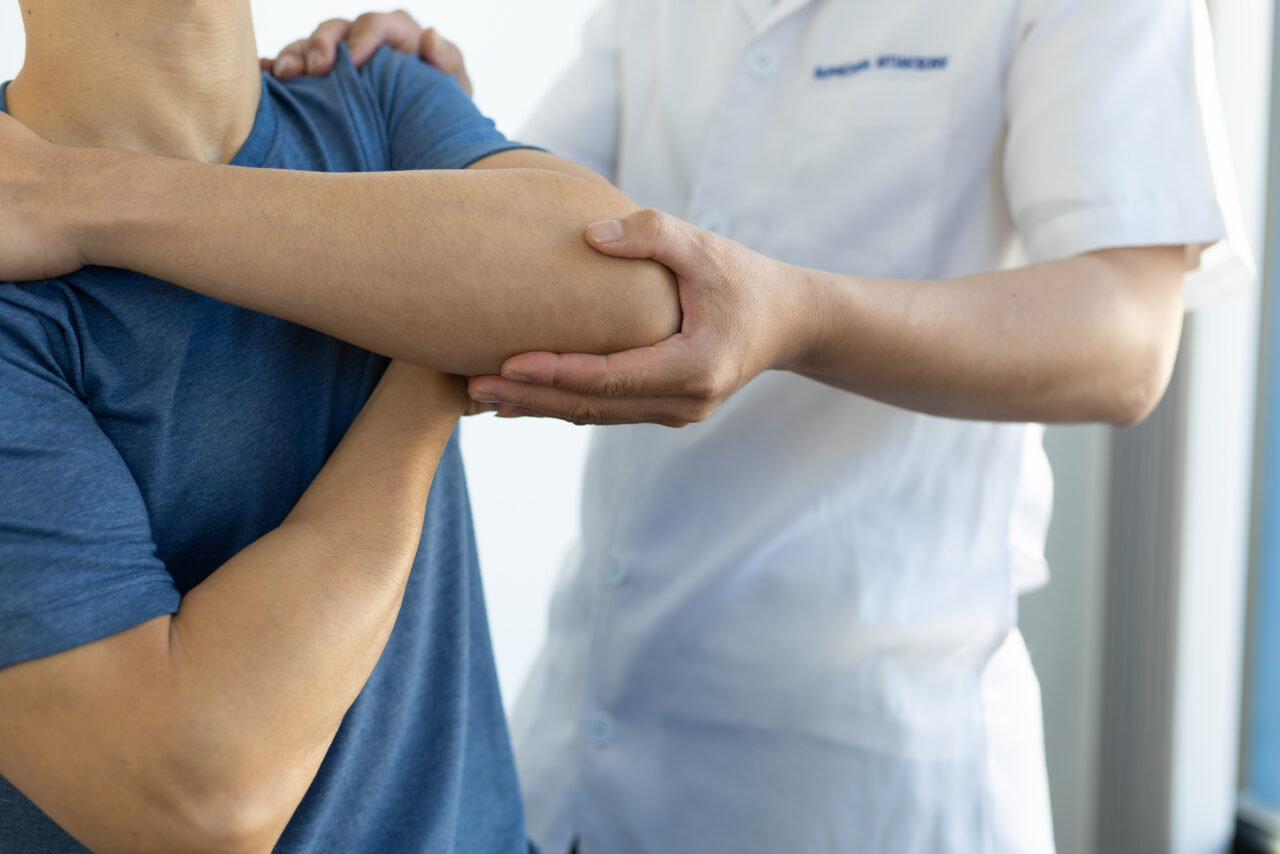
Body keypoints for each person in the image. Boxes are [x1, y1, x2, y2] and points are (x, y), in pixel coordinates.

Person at [267, 2, 1253, 853]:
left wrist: (800, 317)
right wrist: (434, 123)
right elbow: (561, 229)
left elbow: (1125, 340)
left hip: (857, 777)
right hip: (581, 748)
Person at [0, 1, 681, 851]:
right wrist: (444, 341)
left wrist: (81, 196)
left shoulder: (371, 91)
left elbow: (637, 293)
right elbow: (197, 797)